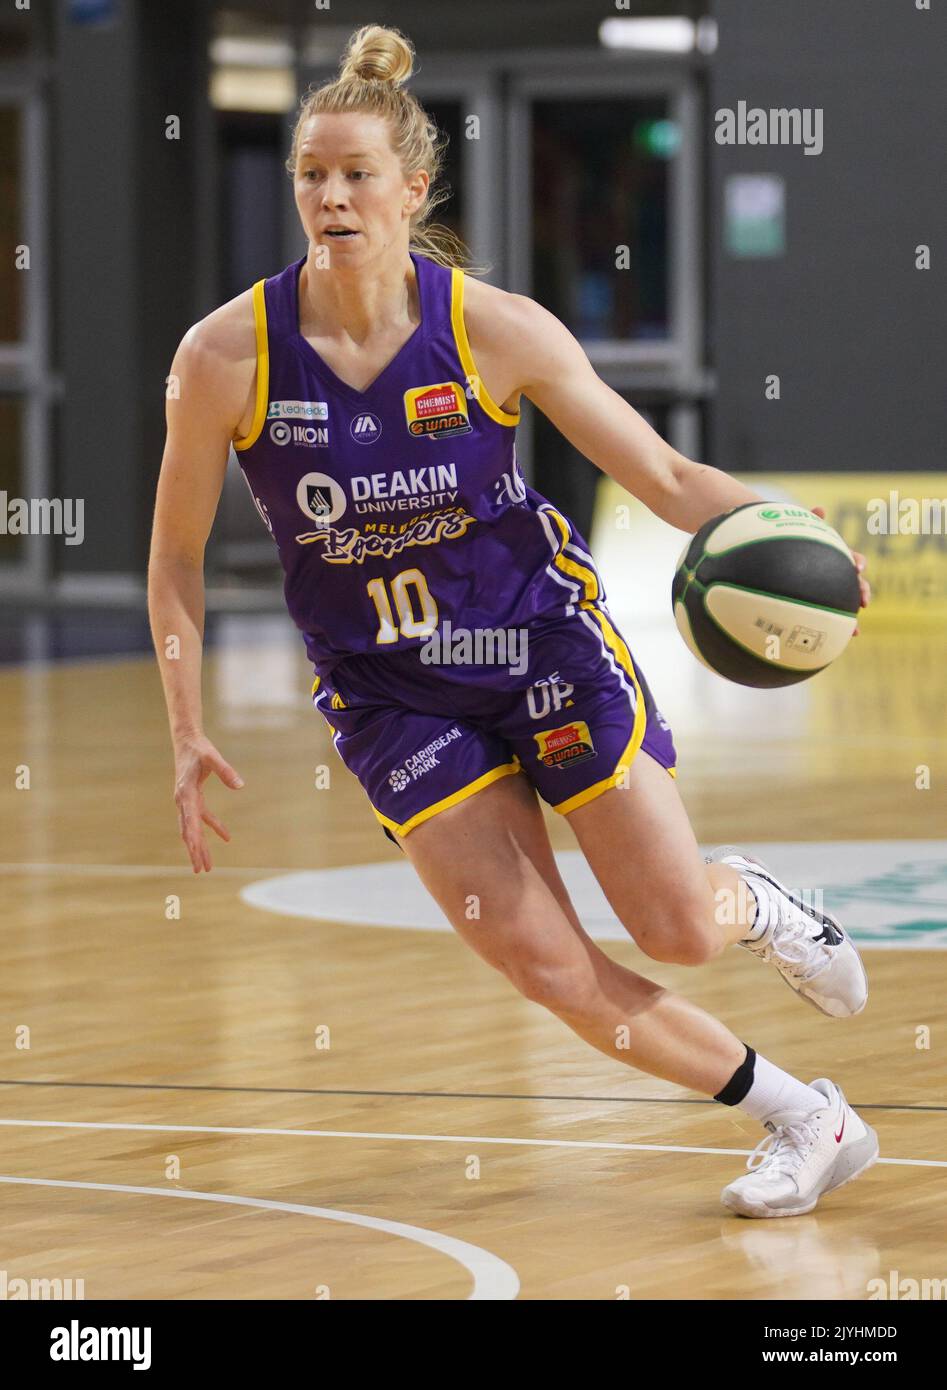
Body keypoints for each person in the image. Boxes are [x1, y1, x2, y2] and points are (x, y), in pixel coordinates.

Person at [148, 24, 878, 1218]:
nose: (329, 196)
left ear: (412, 188)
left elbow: (666, 479)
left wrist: (794, 528)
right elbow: (173, 561)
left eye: (355, 174)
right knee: (546, 964)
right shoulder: (224, 356)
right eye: (310, 175)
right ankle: (805, 1115)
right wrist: (183, 726)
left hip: (539, 646)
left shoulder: (494, 327)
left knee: (677, 928)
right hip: (389, 694)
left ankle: (747, 899)